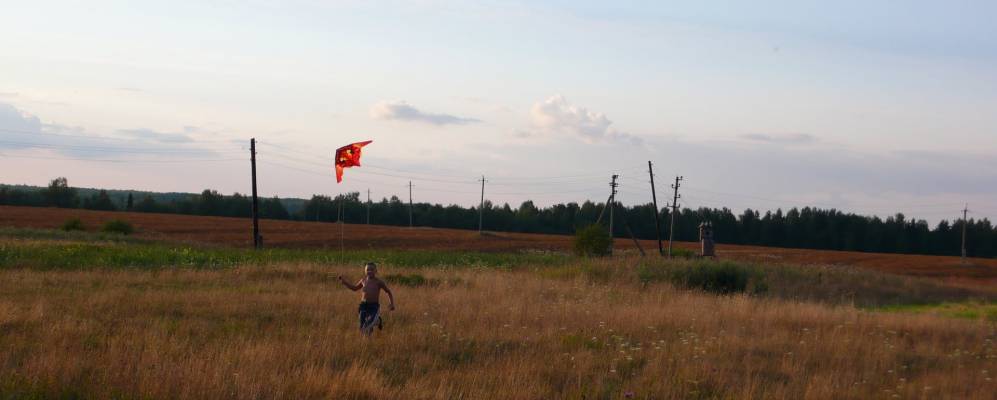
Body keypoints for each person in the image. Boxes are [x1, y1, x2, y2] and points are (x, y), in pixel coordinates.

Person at [338, 262, 395, 335]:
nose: (370, 271)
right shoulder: (363, 281)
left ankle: (377, 321)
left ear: (376, 271)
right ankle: (367, 340)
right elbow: (354, 288)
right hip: (363, 305)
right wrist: (345, 282)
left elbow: (388, 292)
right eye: (368, 270)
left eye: (372, 269)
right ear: (365, 271)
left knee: (367, 325)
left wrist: (392, 303)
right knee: (362, 326)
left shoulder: (379, 282)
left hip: (374, 306)